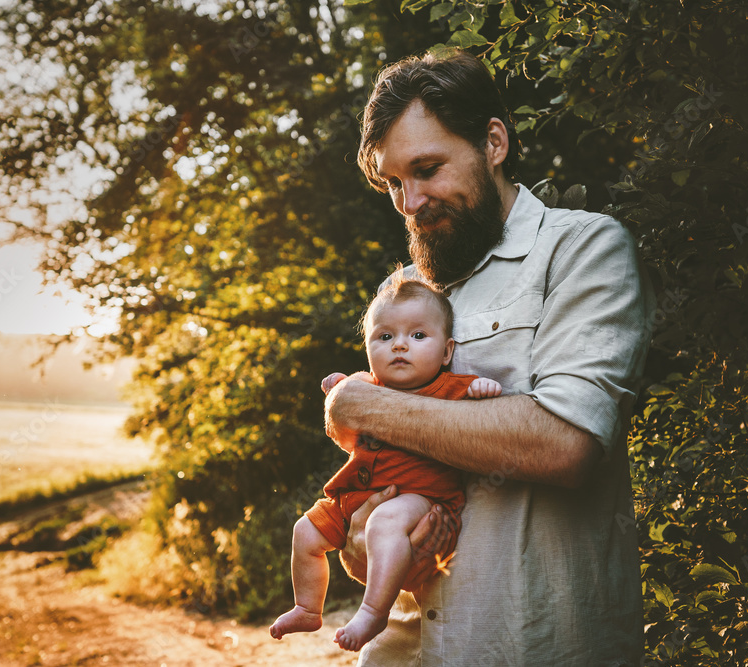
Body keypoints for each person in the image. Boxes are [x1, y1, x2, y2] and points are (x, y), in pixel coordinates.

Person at [323, 49, 655, 665]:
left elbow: (566, 442)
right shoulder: (412, 299)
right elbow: (359, 536)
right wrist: (367, 535)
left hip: (531, 646)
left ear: (494, 143)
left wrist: (359, 404)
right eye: (395, 181)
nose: (410, 202)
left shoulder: (582, 250)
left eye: (427, 168)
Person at [270, 275, 502, 652]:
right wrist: (339, 385)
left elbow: (472, 392)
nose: (399, 345)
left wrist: (478, 388)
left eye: (417, 336)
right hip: (353, 495)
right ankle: (307, 607)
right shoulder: (369, 387)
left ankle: (375, 610)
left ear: (446, 352)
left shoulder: (445, 387)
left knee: (384, 522)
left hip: (421, 494)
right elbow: (347, 399)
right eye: (385, 337)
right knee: (304, 533)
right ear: (368, 347)